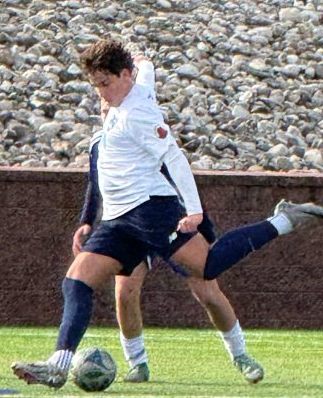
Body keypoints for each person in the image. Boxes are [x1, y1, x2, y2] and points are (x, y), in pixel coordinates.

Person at [11, 39, 323, 390]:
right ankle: (59, 364)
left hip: (151, 210)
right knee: (77, 280)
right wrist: (135, 53)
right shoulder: (131, 90)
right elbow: (146, 67)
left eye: (106, 84)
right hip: (118, 220)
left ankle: (284, 220)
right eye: (96, 85)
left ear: (125, 76)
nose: (101, 93)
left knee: (207, 270)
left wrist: (193, 210)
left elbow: (174, 159)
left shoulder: (138, 114)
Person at [74, 55, 262, 384]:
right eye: (98, 92)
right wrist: (87, 221)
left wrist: (197, 218)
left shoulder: (139, 117)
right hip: (127, 222)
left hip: (164, 216)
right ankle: (138, 363)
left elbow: (171, 165)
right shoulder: (102, 141)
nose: (103, 100)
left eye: (106, 86)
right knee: (125, 291)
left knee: (206, 290)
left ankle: (241, 355)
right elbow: (96, 183)